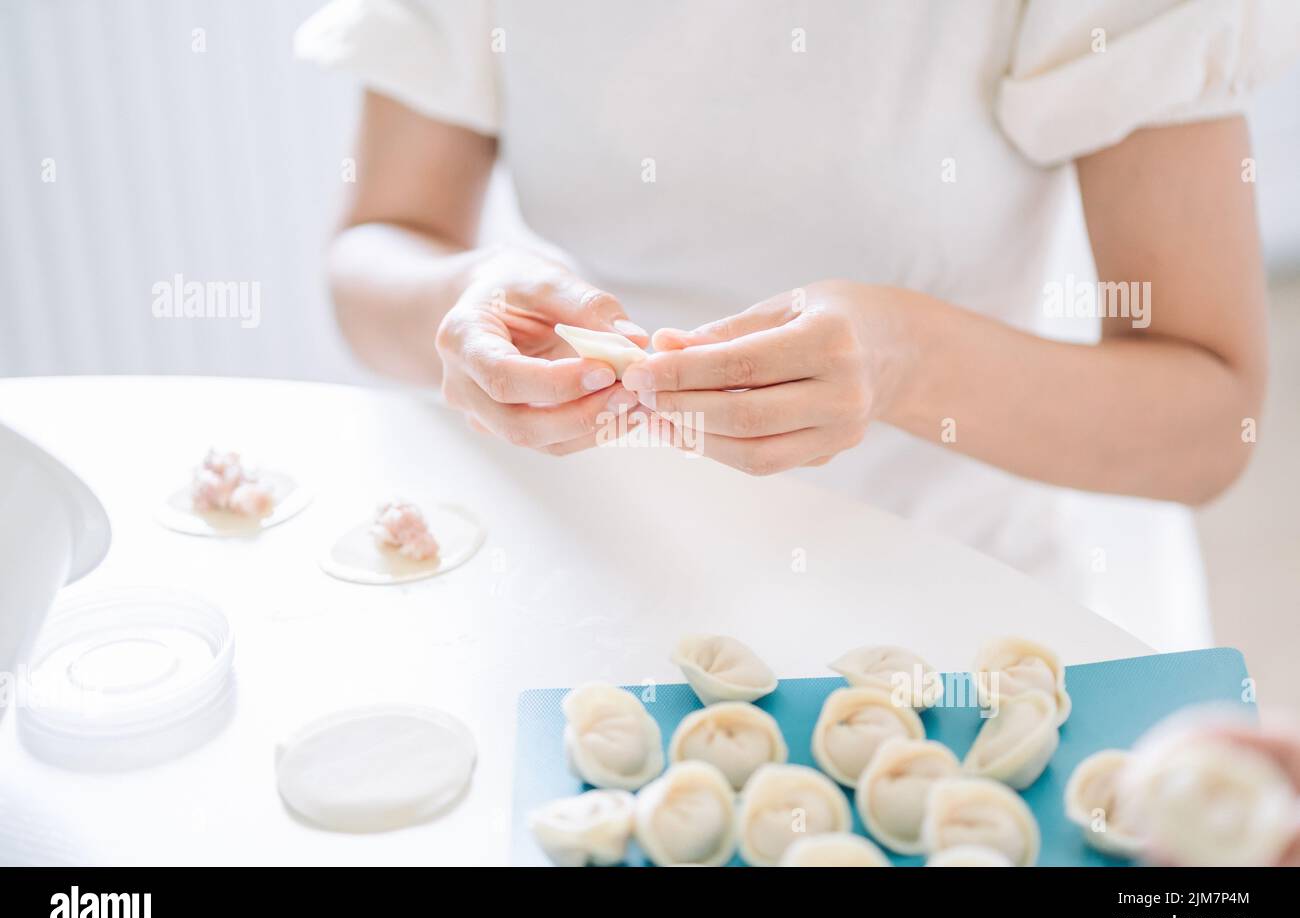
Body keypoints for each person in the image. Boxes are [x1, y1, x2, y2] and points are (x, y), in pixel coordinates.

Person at [296, 0, 1300, 650]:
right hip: (599, 591)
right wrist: (456, 306)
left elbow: (1210, 424)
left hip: (948, 607)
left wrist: (905, 361)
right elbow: (376, 250)